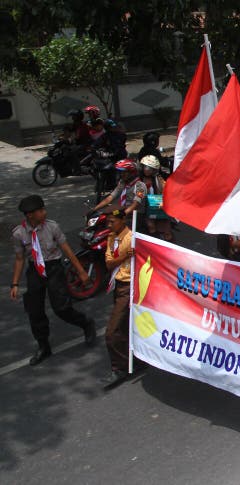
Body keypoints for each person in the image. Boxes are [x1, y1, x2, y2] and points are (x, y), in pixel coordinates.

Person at [10, 195, 96, 365]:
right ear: (30, 215)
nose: (44, 212)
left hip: (54, 268)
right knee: (34, 311)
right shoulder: (19, 234)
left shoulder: (52, 227)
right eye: (40, 210)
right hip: (35, 270)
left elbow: (67, 249)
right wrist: (15, 283)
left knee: (61, 308)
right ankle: (43, 346)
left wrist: (81, 272)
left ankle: (86, 323)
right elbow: (19, 259)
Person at [101, 207, 134, 388]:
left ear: (122, 221)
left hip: (128, 287)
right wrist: (122, 256)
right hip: (117, 286)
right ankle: (131, 360)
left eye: (112, 222)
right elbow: (108, 263)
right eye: (108, 222)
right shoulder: (112, 238)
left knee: (112, 332)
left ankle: (119, 368)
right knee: (124, 326)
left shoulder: (132, 239)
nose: (109, 225)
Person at [139, 155, 173, 241]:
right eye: (145, 167)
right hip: (143, 207)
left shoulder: (159, 179)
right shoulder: (139, 180)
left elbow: (165, 190)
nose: (146, 169)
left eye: (149, 168)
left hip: (157, 205)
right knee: (151, 226)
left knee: (167, 230)